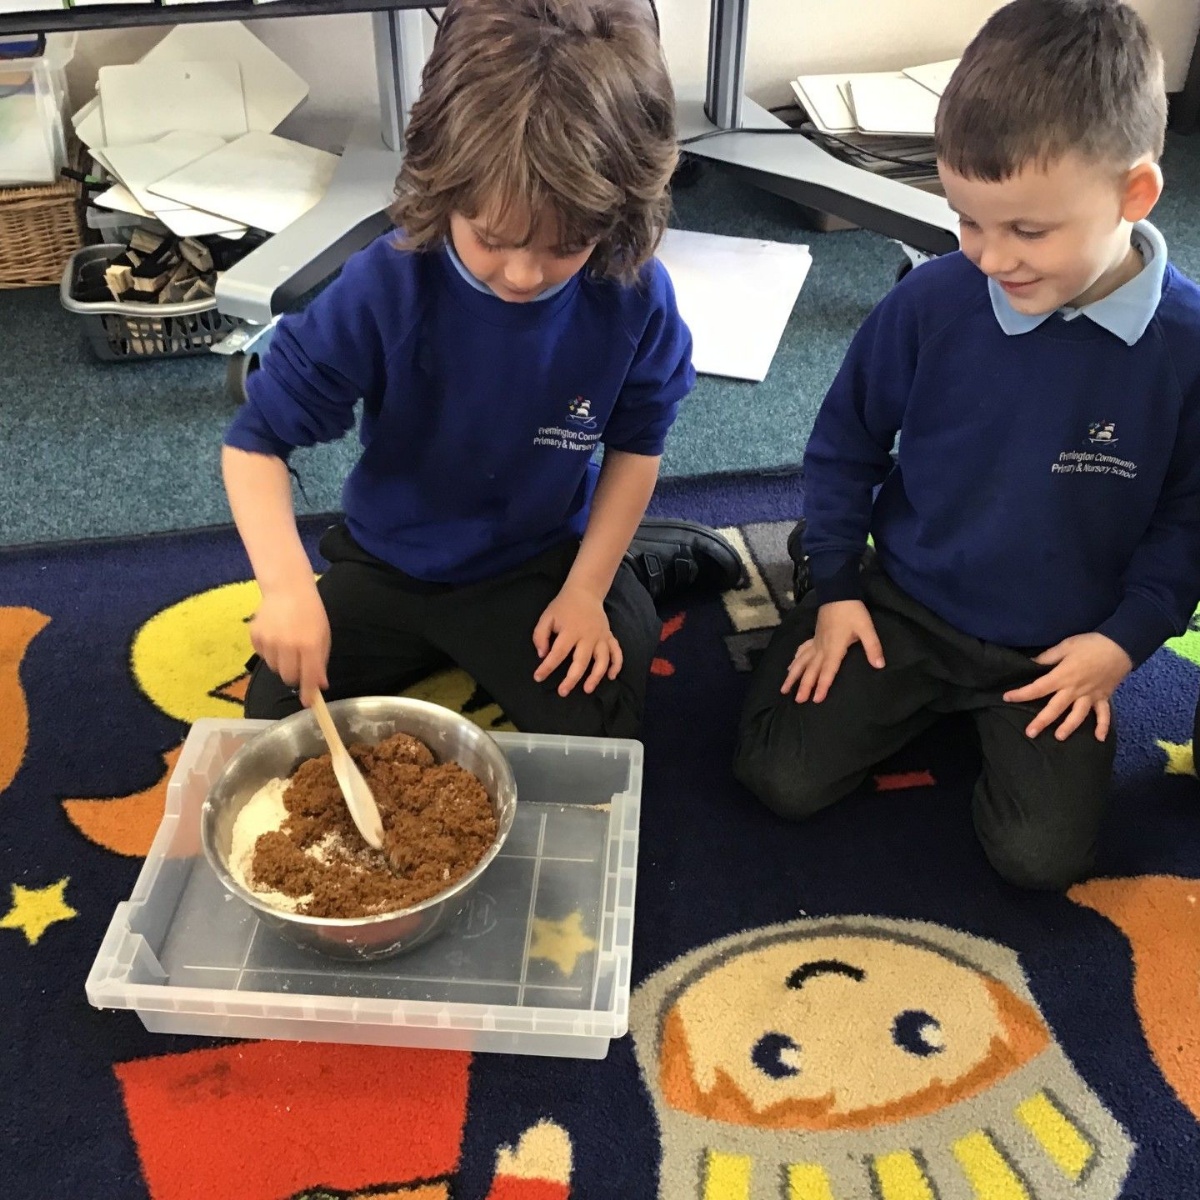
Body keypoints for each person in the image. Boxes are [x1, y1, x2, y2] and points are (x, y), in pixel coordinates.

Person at [734, 0, 1200, 888]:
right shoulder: (932, 301)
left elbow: (1189, 516)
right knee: (780, 777)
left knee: (1041, 862)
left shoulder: (1186, 347)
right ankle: (815, 581)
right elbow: (845, 445)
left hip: (1057, 646)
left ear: (1133, 194)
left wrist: (1125, 642)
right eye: (967, 220)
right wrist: (836, 586)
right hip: (903, 602)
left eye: (1027, 230)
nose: (991, 258)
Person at [221, 0, 741, 737]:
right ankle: (620, 567)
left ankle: (635, 567)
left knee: (599, 724)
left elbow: (637, 445)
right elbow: (254, 444)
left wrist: (588, 591)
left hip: (538, 558)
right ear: (442, 184)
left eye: (567, 245)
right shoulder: (385, 285)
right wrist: (282, 589)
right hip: (391, 560)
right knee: (279, 724)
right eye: (493, 237)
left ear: (620, 215)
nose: (525, 274)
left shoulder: (634, 292)